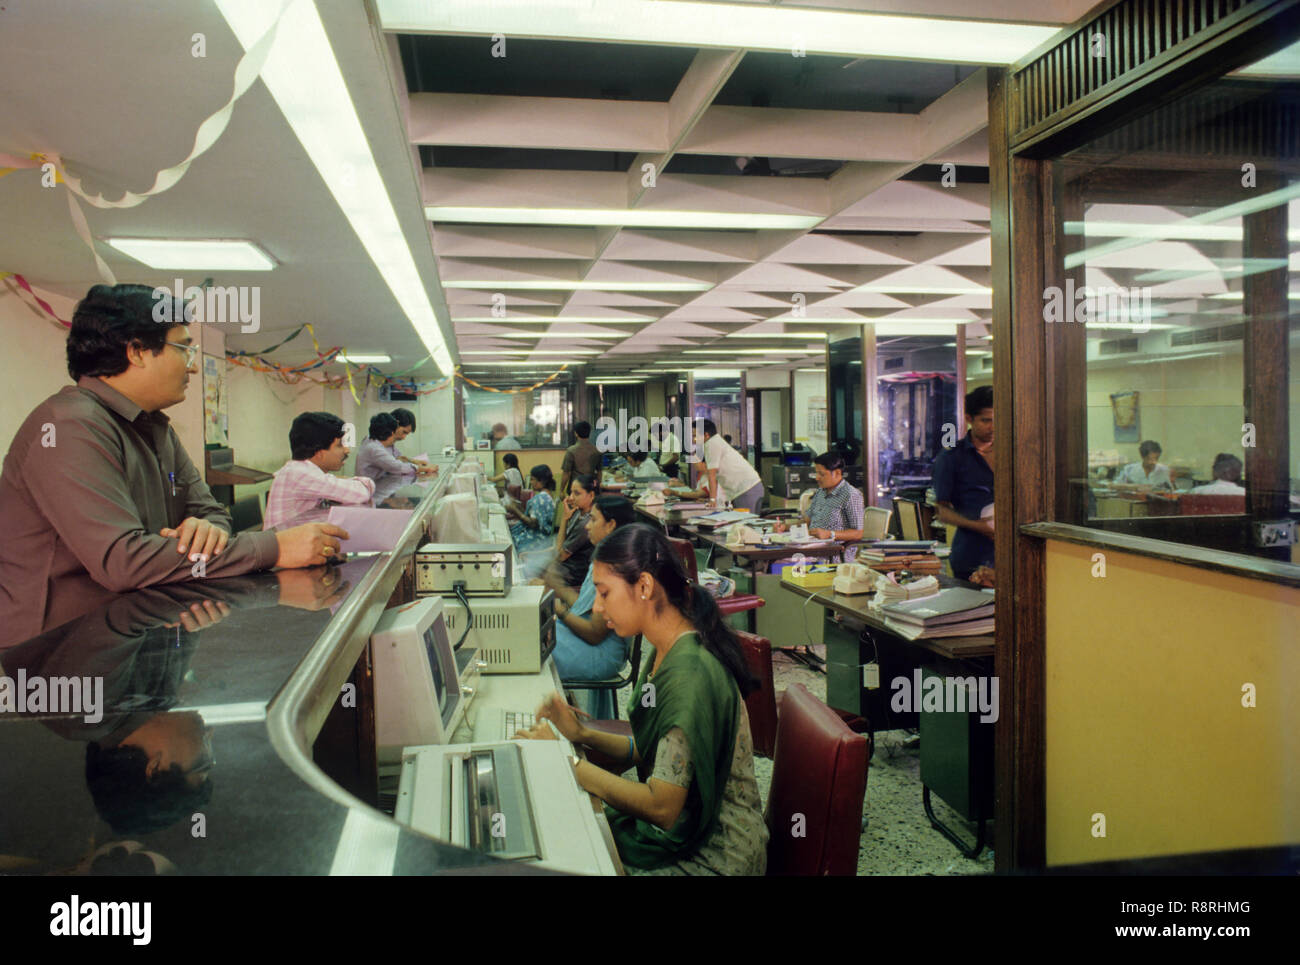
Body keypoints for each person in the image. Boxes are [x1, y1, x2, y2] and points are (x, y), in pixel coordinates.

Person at [0, 284, 349, 647]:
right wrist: (274, 547)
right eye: (184, 348)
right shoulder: (68, 426)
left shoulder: (155, 427)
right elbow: (125, 561)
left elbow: (213, 512)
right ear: (136, 351)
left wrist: (205, 530)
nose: (194, 365)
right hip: (55, 656)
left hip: (131, 633)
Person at [517, 523, 769, 875]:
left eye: (605, 594)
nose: (600, 609)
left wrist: (569, 766)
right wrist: (581, 734)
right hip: (690, 832)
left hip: (717, 856)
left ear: (645, 586)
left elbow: (662, 806)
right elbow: (652, 748)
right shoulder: (668, 645)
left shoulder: (690, 674)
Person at [541, 495, 637, 718]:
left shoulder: (616, 567)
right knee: (536, 633)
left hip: (601, 653)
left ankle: (548, 721)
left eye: (593, 520)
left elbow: (595, 633)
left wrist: (558, 609)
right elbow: (588, 608)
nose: (587, 525)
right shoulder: (606, 557)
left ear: (611, 525)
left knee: (534, 649)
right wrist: (559, 588)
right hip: (593, 642)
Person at [263, 412, 375, 530]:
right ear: (319, 453)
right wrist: (361, 483)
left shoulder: (297, 470)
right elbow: (361, 493)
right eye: (340, 445)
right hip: (285, 547)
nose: (347, 450)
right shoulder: (301, 474)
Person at [931, 384, 995, 581]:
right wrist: (977, 526)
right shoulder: (952, 458)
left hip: (1009, 556)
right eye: (986, 420)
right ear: (969, 419)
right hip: (971, 556)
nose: (993, 427)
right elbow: (942, 511)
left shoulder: (1014, 453)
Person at [772, 450, 865, 558]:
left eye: (821, 474)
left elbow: (858, 533)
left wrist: (830, 534)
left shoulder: (851, 495)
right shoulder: (821, 492)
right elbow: (807, 523)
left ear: (837, 473)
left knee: (779, 563)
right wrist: (786, 527)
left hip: (832, 554)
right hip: (811, 548)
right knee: (773, 556)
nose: (816, 478)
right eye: (816, 473)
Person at [693, 419, 764, 512]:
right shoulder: (714, 442)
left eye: (695, 435)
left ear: (706, 435)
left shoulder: (712, 444)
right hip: (746, 489)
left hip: (747, 489)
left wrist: (712, 500)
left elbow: (712, 476)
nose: (693, 439)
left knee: (746, 523)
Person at [505, 465, 557, 576]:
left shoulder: (540, 498)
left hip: (538, 537)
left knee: (510, 542)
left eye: (533, 479)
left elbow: (533, 523)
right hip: (545, 536)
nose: (531, 482)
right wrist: (518, 508)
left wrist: (514, 510)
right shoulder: (548, 496)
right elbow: (534, 515)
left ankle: (517, 574)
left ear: (541, 481)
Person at [549, 473, 598, 587]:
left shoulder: (586, 523)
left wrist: (564, 519)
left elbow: (561, 555)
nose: (570, 497)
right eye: (570, 492)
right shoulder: (578, 512)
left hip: (574, 572)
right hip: (567, 565)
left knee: (535, 575)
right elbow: (561, 545)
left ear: (591, 495)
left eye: (576, 493)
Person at [560, 420, 601, 497]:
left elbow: (566, 473)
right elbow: (599, 472)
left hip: (575, 489)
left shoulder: (571, 451)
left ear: (576, 433)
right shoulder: (596, 451)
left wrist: (561, 490)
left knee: (574, 509)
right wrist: (598, 489)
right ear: (589, 433)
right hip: (590, 488)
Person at [390, 408, 436, 473]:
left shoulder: (390, 445)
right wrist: (424, 468)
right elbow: (393, 467)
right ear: (395, 424)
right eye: (404, 432)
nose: (403, 438)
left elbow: (399, 458)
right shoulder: (376, 446)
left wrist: (414, 462)